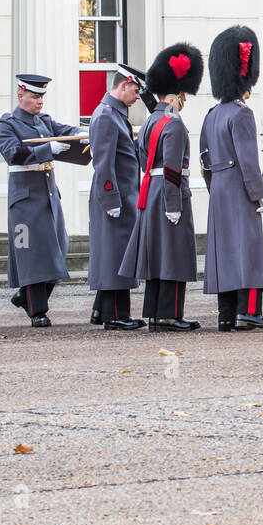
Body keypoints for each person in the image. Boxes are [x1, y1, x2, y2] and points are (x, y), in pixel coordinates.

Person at [119, 42, 204, 330]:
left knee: (157, 255)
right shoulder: (174, 123)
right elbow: (172, 168)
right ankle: (170, 314)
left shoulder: (150, 121)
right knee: (174, 255)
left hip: (150, 192)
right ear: (179, 94)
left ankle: (155, 312)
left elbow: (144, 159)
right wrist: (174, 205)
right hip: (168, 193)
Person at [0, 74, 91, 327]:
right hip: (25, 197)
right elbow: (13, 154)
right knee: (31, 254)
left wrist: (82, 134)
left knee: (57, 248)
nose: (39, 101)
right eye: (35, 96)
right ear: (21, 95)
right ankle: (38, 310)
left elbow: (64, 131)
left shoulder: (44, 121)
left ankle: (25, 297)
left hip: (47, 193)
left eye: (41, 97)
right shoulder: (8, 124)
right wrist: (47, 149)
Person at [201, 26, 263, 331]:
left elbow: (204, 161)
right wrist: (260, 195)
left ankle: (226, 314)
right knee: (250, 248)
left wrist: (215, 187)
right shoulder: (242, 114)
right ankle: (250, 312)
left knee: (225, 252)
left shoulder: (211, 113)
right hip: (240, 188)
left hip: (218, 187)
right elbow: (248, 160)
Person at [88, 63, 150, 330]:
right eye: (135, 90)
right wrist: (111, 198)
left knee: (116, 253)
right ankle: (115, 315)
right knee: (115, 256)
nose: (137, 96)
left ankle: (102, 311)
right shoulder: (106, 116)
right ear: (123, 85)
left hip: (122, 195)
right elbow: (103, 163)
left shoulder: (115, 114)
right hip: (114, 196)